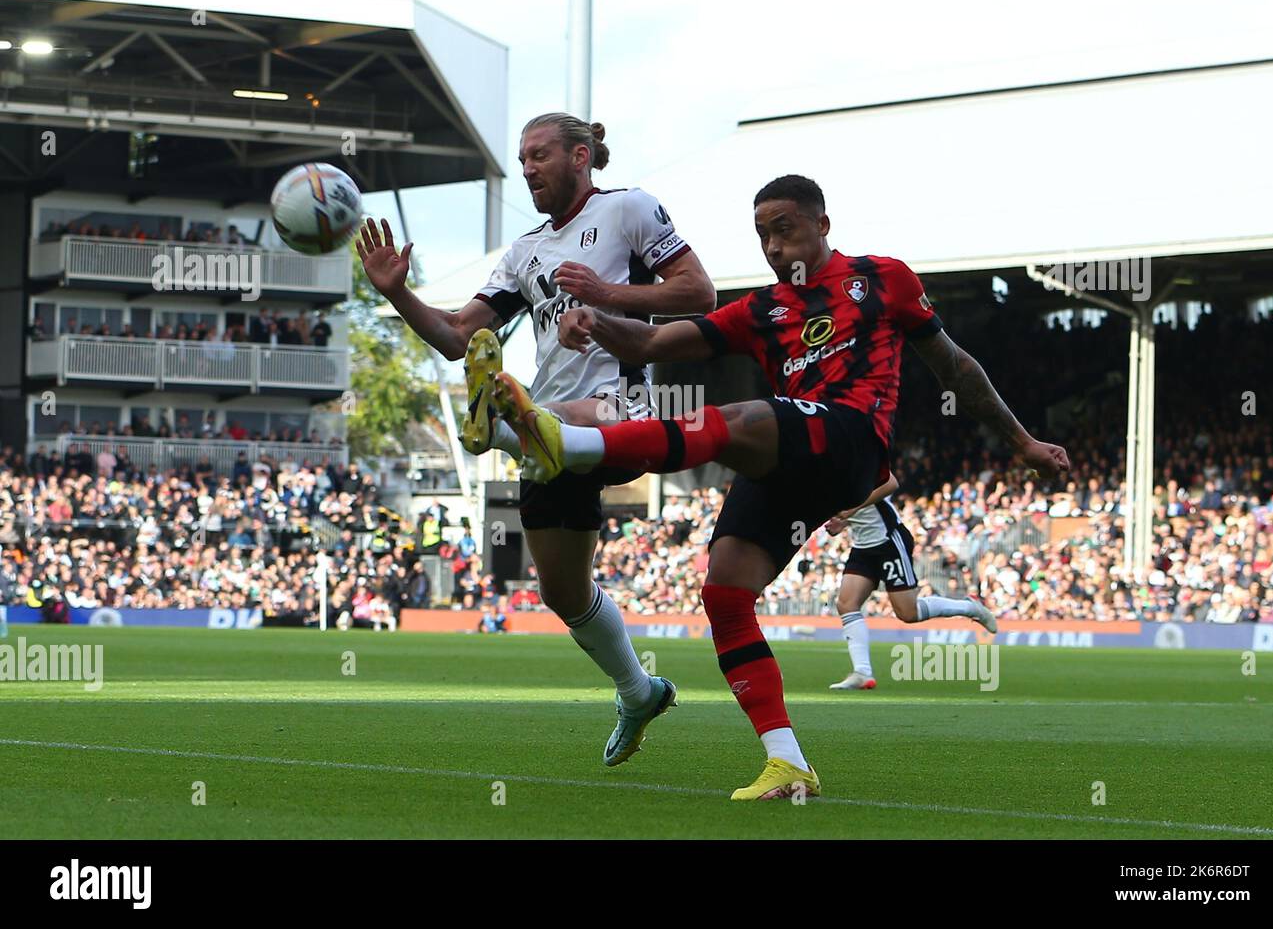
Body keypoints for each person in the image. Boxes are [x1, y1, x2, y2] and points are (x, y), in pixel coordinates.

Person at [497, 174, 1070, 800]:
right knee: (723, 592)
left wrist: (1022, 443)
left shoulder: (883, 279)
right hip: (794, 464)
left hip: (852, 440)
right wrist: (597, 320)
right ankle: (788, 762)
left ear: (822, 224)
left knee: (744, 416)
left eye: (784, 229)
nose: (772, 246)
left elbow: (955, 365)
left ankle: (570, 441)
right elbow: (657, 340)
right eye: (762, 234)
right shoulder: (761, 311)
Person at [357, 111, 715, 767]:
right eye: (521, 159)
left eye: (539, 155)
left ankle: (498, 428)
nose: (527, 169)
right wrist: (401, 295)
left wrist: (606, 295)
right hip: (552, 425)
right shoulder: (525, 252)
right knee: (563, 592)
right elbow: (459, 336)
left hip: (620, 405)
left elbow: (699, 290)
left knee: (558, 417)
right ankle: (638, 691)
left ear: (581, 156)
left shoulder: (630, 209)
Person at [823, 474, 997, 690]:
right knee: (846, 604)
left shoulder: (856, 457)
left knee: (908, 613)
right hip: (862, 544)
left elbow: (890, 483)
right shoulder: (828, 467)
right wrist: (844, 521)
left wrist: (851, 509)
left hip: (888, 540)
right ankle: (862, 672)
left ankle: (969, 607)